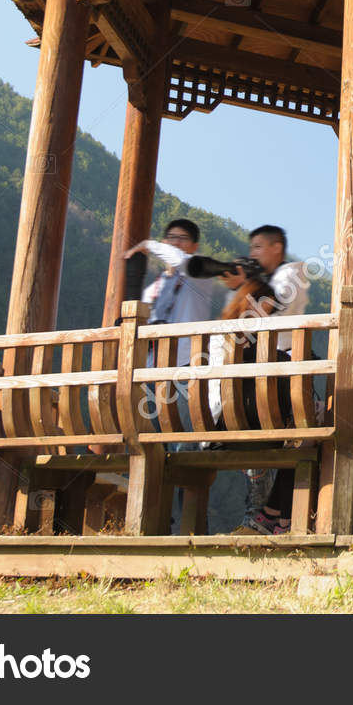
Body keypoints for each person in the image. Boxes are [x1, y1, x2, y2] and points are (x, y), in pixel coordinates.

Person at [123, 218, 220, 532]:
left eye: (181, 239)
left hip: (185, 378)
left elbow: (181, 261)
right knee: (151, 454)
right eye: (170, 238)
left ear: (193, 246)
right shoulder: (155, 288)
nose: (174, 244)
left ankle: (192, 532)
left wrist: (148, 245)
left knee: (184, 456)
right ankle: (155, 526)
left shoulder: (197, 275)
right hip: (149, 378)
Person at [217, 225, 311, 536]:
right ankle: (269, 517)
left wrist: (248, 286)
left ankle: (264, 517)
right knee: (308, 433)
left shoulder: (288, 277)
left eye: (258, 246)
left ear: (276, 248)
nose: (253, 253)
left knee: (294, 433)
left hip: (245, 399)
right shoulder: (265, 287)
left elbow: (271, 313)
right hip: (267, 389)